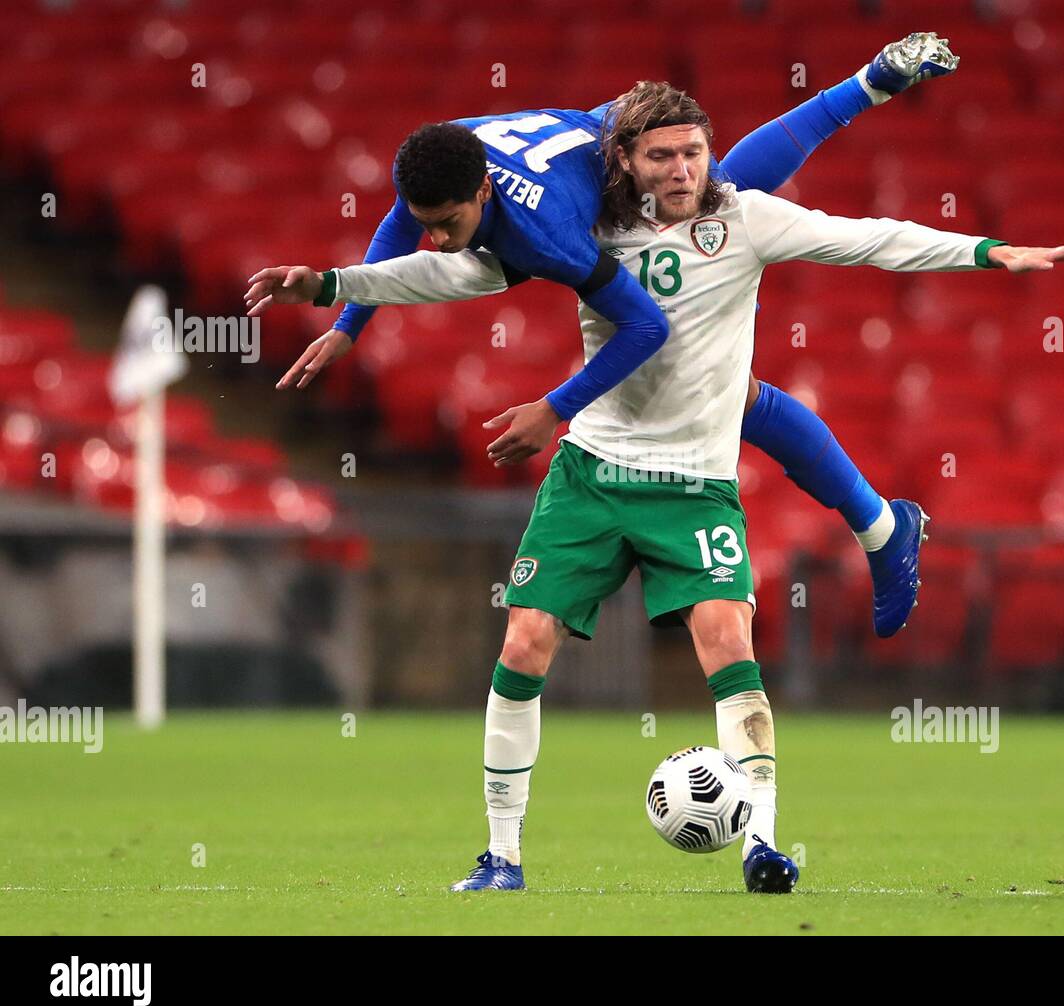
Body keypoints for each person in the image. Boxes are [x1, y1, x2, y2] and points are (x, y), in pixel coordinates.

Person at [249, 81, 1064, 893]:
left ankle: (763, 840)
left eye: (693, 153)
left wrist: (992, 250)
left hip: (693, 479)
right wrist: (341, 294)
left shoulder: (746, 218)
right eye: (661, 158)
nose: (681, 171)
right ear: (626, 162)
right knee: (522, 644)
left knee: (728, 641)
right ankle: (501, 857)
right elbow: (457, 271)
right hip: (595, 470)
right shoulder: (582, 228)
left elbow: (871, 236)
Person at [249, 32, 963, 637]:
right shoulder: (454, 151)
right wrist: (349, 325)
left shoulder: (543, 235)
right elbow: (408, 218)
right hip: (602, 131)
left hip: (610, 169)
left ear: (480, 197)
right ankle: (882, 528)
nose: (436, 237)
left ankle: (881, 526)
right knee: (728, 317)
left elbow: (634, 323)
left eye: (449, 224)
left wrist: (555, 407)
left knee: (719, 241)